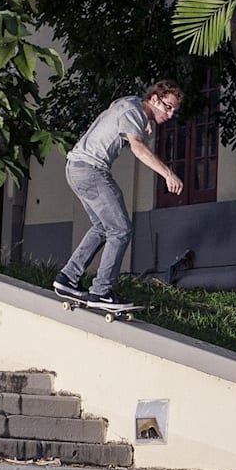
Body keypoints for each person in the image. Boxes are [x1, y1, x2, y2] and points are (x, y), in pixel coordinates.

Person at [52, 80, 185, 311]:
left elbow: (118, 106)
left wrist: (148, 121)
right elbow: (138, 148)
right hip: (91, 170)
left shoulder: (131, 104)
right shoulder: (134, 112)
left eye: (174, 111)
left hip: (75, 167)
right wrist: (168, 174)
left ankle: (67, 279)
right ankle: (101, 291)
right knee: (120, 229)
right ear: (154, 99)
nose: (171, 114)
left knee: (103, 228)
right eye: (168, 107)